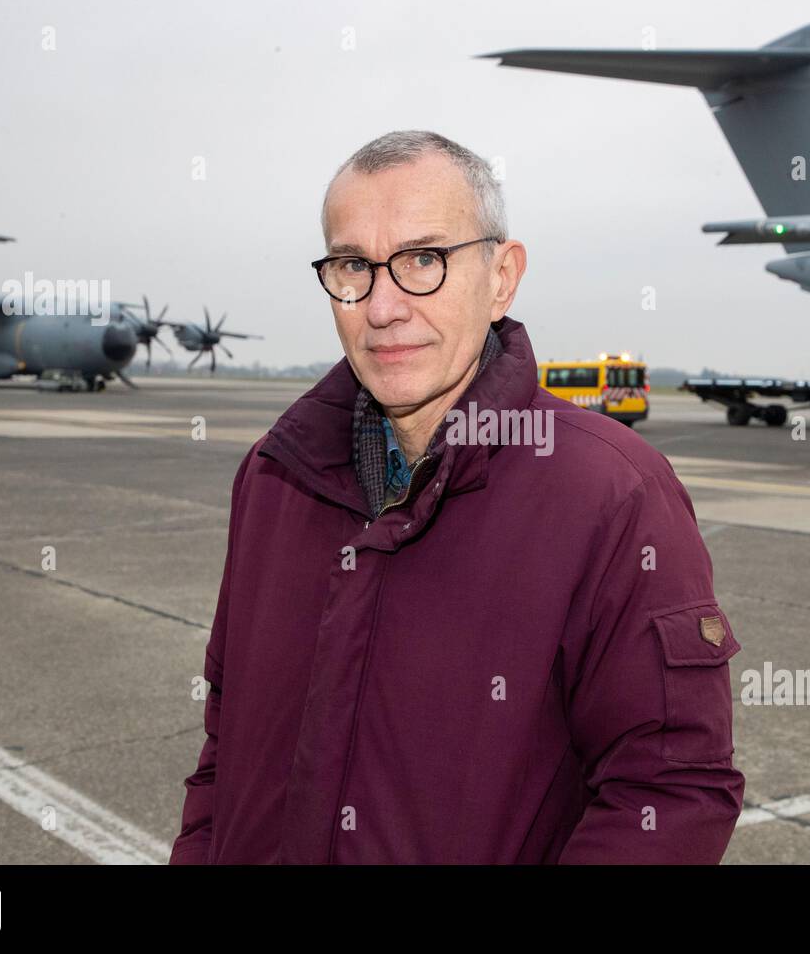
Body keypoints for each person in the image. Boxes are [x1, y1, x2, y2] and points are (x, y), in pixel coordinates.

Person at [169, 129, 743, 864]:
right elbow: (226, 739)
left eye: (423, 261)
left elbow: (672, 790)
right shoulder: (274, 479)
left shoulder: (613, 494)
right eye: (353, 266)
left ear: (502, 277)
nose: (382, 307)